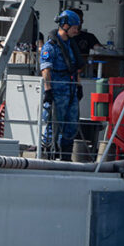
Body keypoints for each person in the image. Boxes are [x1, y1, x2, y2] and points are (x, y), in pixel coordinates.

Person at [40, 9, 84, 158]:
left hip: (70, 91)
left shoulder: (71, 45)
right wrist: (48, 90)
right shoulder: (50, 46)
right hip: (57, 91)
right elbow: (46, 70)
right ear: (65, 25)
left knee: (71, 125)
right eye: (74, 27)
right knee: (53, 126)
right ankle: (48, 155)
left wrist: (78, 86)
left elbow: (75, 68)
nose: (76, 31)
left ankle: (66, 157)